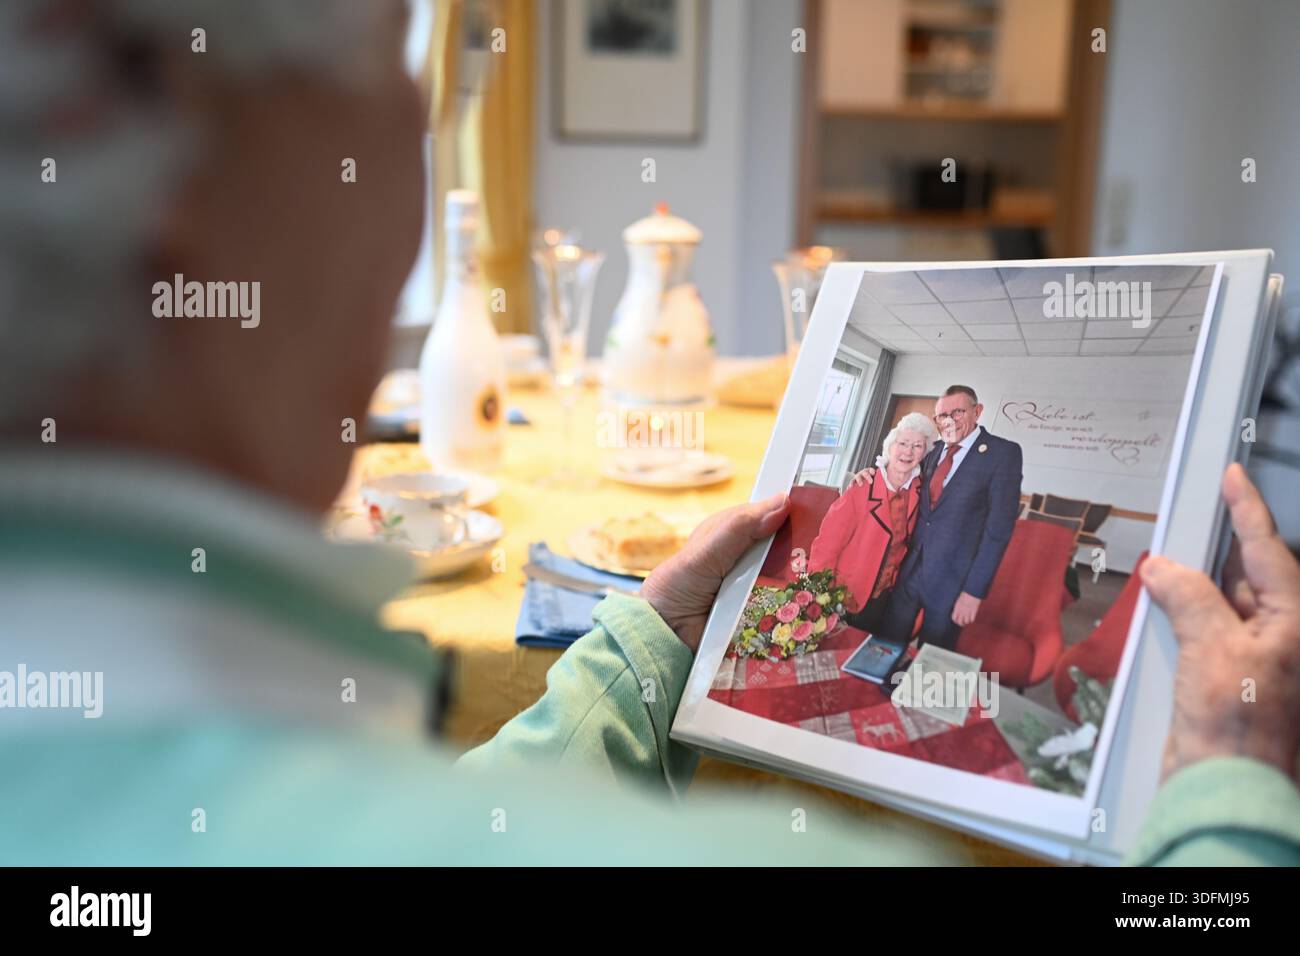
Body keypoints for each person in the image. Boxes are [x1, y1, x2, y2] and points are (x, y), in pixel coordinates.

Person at [1, 0, 1297, 866]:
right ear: (138, 131)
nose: (412, 128)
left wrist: (639, 645)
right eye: (387, 70)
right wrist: (1234, 799)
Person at [854, 386, 1022, 651]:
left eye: (958, 412)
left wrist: (974, 592)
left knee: (931, 663)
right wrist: (871, 473)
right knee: (883, 647)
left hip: (953, 582)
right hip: (910, 574)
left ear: (977, 411)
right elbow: (901, 474)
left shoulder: (1003, 454)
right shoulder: (932, 452)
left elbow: (998, 533)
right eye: (943, 415)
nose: (950, 421)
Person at [807, 412, 937, 634]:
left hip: (885, 598)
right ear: (890, 446)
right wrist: (816, 595)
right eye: (903, 443)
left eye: (917, 446)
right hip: (845, 594)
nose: (908, 451)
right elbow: (827, 545)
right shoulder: (861, 486)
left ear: (924, 453)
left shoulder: (921, 491)